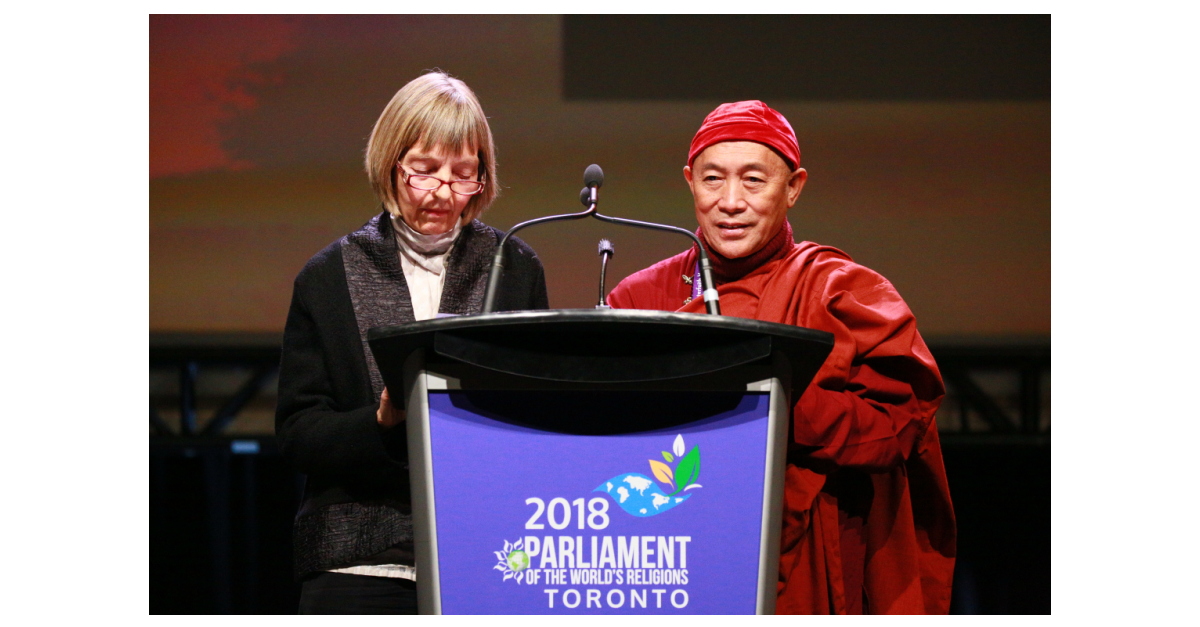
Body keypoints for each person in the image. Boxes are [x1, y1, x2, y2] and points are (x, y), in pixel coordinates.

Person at [607, 101, 956, 614]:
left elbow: (898, 429)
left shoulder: (841, 291)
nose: (730, 201)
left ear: (793, 187)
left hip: (805, 562)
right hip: (668, 554)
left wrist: (773, 397)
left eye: (754, 180)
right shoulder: (640, 298)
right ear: (689, 182)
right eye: (712, 179)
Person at [275, 71, 549, 614]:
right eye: (424, 171)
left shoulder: (513, 267)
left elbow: (540, 412)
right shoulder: (329, 275)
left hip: (486, 550)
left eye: (463, 174)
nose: (443, 192)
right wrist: (380, 424)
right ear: (391, 163)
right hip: (358, 560)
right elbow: (298, 433)